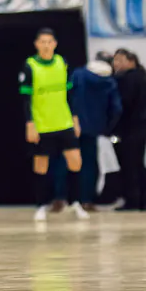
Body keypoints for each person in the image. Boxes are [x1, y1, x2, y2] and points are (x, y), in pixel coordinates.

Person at [19, 28, 85, 222]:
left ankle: (75, 203)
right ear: (37, 44)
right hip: (42, 123)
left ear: (55, 44)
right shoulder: (29, 66)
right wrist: (30, 123)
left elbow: (70, 94)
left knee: (76, 162)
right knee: (41, 166)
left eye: (50, 42)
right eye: (42, 42)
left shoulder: (62, 63)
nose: (46, 45)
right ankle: (41, 205)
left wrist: (75, 119)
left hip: (63, 121)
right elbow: (25, 99)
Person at [70, 54, 122, 211]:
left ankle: (67, 199)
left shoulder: (78, 74)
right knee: (90, 164)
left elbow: (67, 96)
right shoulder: (110, 81)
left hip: (72, 126)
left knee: (67, 162)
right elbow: (117, 109)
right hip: (94, 129)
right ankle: (86, 200)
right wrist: (107, 127)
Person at [112, 48, 146, 210]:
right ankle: (140, 199)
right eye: (115, 60)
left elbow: (125, 104)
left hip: (131, 128)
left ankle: (133, 200)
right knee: (137, 164)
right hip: (137, 127)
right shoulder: (141, 75)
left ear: (131, 61)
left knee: (130, 164)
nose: (115, 63)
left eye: (119, 60)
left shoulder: (130, 79)